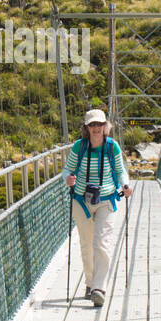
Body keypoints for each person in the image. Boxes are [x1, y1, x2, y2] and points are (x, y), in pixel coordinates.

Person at [63, 108, 132, 307]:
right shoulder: (79, 147)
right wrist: (67, 179)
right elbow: (67, 169)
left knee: (102, 243)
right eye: (92, 124)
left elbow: (120, 171)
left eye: (100, 124)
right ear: (87, 127)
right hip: (81, 200)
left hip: (107, 198)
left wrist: (125, 186)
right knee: (86, 244)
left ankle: (99, 288)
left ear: (105, 126)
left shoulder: (112, 147)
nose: (96, 128)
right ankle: (90, 282)